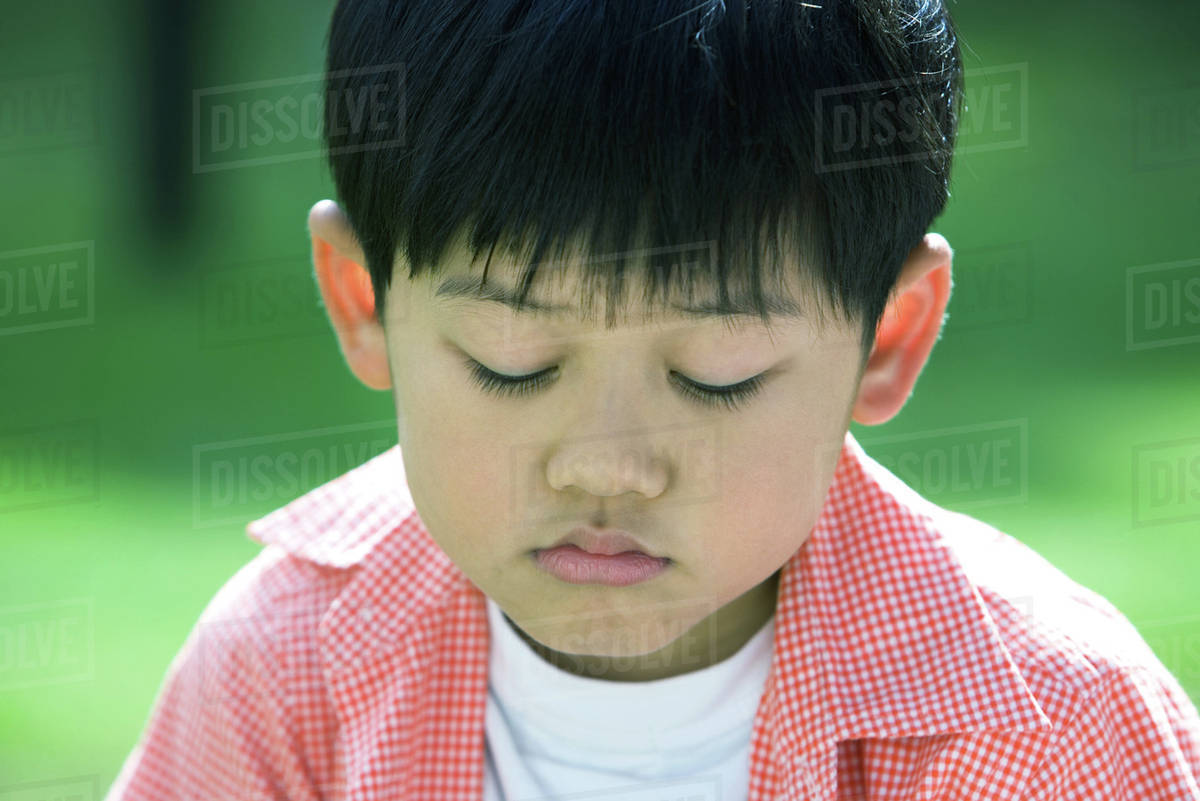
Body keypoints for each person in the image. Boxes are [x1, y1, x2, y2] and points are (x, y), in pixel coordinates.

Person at [106, 1, 1200, 798]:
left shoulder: (1054, 728)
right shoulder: (281, 669)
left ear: (890, 337)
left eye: (716, 374)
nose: (607, 463)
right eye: (512, 361)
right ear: (362, 301)